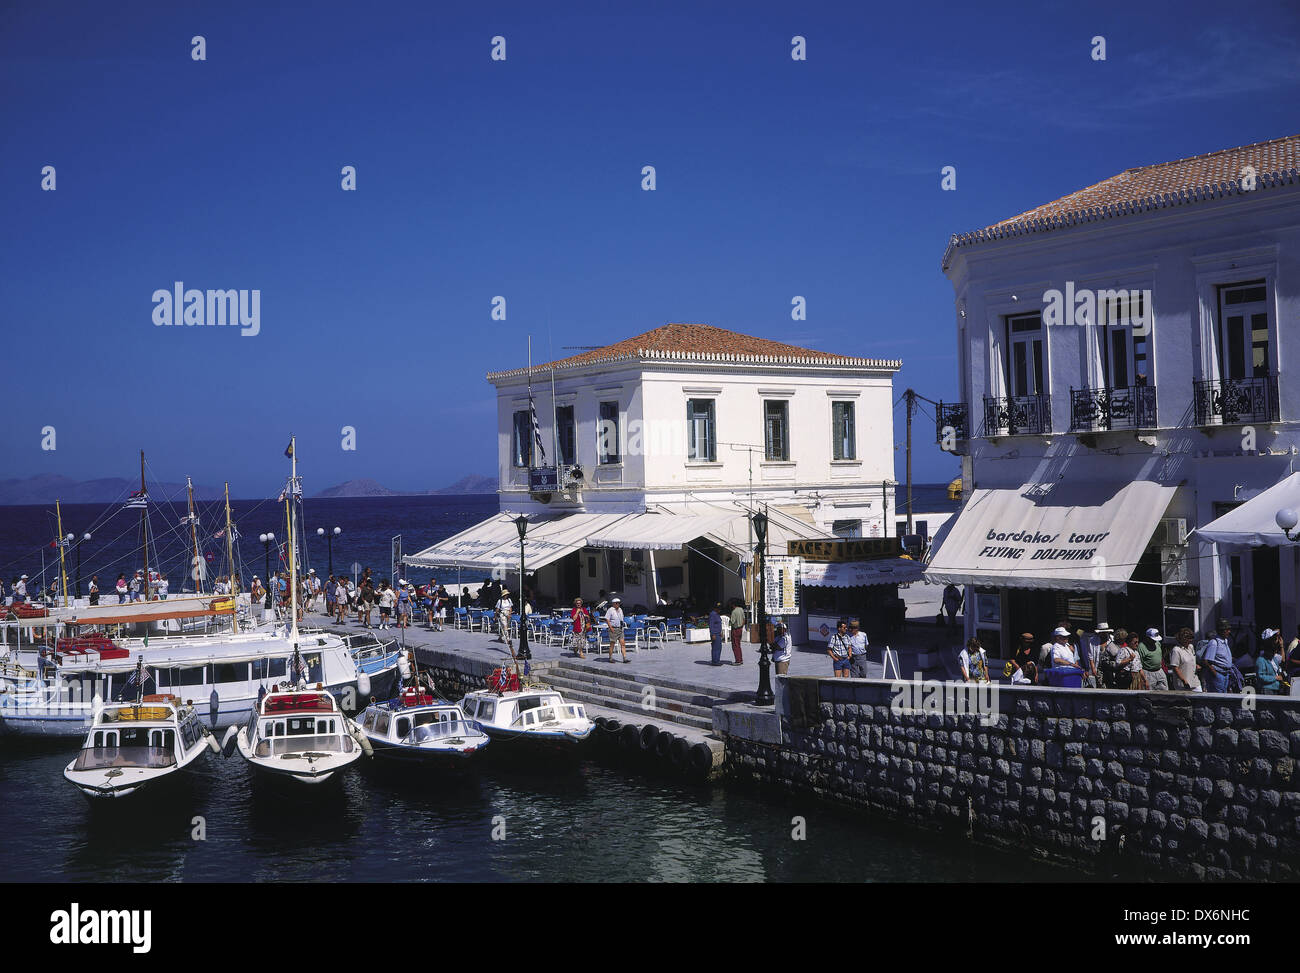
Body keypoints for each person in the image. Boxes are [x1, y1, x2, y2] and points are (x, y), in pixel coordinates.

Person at [1201, 621, 1235, 694]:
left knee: (1223, 699)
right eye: (1227, 630)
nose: (1229, 631)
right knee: (1217, 699)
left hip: (1226, 674)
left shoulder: (1225, 641)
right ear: (1221, 630)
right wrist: (1216, 675)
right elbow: (1206, 661)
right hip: (1218, 674)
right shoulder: (1214, 642)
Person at [1169, 628, 1202, 692]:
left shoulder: (1191, 647)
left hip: (1195, 681)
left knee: (1200, 699)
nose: (1190, 640)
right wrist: (1184, 680)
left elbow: (1191, 660)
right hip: (1184, 683)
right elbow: (1175, 667)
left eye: (1191, 638)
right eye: (1187, 638)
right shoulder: (1176, 650)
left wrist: (1196, 665)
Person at [1256, 628, 1283, 695]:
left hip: (1276, 688)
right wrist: (1275, 678)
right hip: (1267, 690)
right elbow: (1260, 676)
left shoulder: (1274, 659)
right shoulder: (1261, 660)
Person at [605, 597, 628, 664]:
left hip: (620, 628)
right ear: (613, 604)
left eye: (619, 603)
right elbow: (607, 619)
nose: (618, 604)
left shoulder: (620, 609)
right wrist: (611, 627)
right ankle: (610, 658)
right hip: (613, 628)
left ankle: (624, 658)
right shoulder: (610, 610)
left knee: (623, 643)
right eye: (617, 603)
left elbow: (622, 618)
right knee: (612, 644)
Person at [497, 589, 515, 656]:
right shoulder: (500, 601)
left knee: (506, 627)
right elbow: (497, 609)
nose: (506, 595)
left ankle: (500, 637)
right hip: (502, 614)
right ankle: (508, 639)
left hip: (508, 614)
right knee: (504, 626)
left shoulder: (509, 600)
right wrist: (496, 615)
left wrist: (510, 613)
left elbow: (510, 607)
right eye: (505, 594)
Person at [728, 599, 746, 666]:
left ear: (733, 605)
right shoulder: (741, 609)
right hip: (740, 629)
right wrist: (741, 626)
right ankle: (740, 659)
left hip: (735, 629)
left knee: (735, 646)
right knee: (738, 645)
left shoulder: (734, 612)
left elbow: (732, 622)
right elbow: (744, 619)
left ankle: (738, 660)